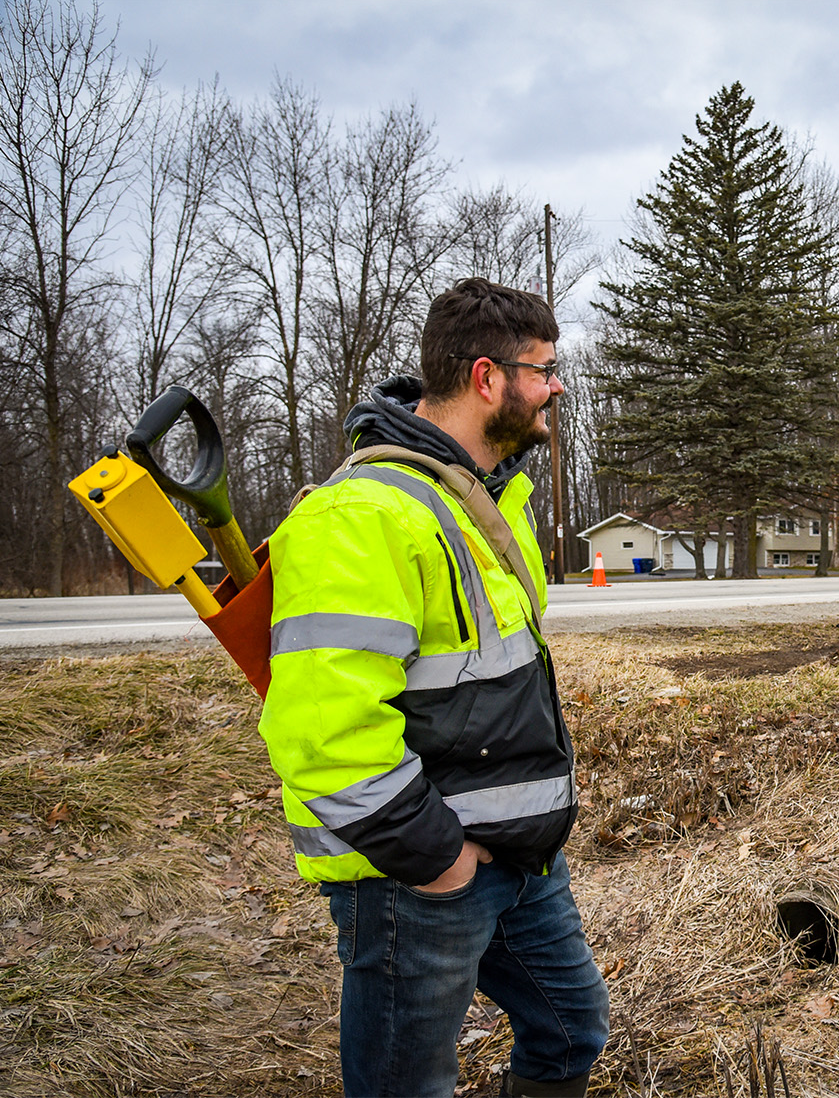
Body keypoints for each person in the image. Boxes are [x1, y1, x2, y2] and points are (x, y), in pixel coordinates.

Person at [258, 278, 607, 1097]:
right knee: (406, 1086)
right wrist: (439, 861)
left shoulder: (487, 500)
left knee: (569, 1029)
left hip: (519, 862)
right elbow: (328, 733)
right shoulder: (363, 516)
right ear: (489, 380)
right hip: (415, 877)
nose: (557, 386)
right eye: (544, 369)